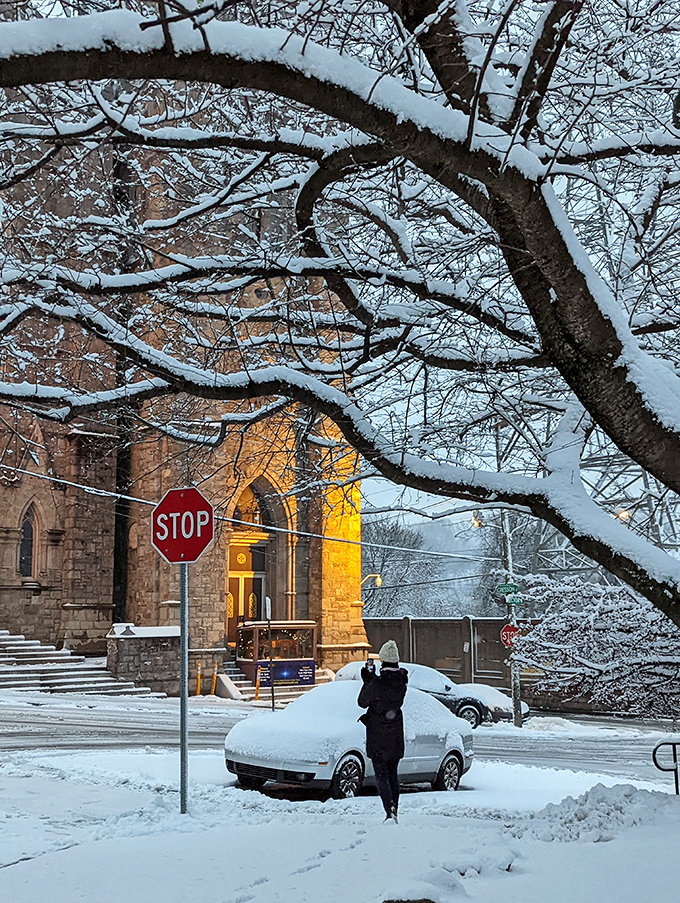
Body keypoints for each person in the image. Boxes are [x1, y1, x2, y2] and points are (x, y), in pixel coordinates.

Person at [357, 639, 408, 823]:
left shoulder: (378, 683)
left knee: (381, 774)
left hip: (378, 735)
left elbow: (362, 702)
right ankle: (395, 807)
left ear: (383, 661)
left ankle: (389, 809)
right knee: (393, 773)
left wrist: (368, 681)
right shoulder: (401, 682)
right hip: (395, 734)